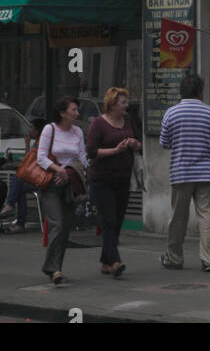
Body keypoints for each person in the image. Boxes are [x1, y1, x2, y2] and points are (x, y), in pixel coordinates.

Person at [159, 73, 210, 272]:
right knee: (206, 216)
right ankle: (208, 259)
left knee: (178, 217)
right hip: (207, 173)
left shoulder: (171, 113)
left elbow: (164, 142)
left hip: (180, 173)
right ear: (200, 91)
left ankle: (174, 258)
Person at [86, 87, 141, 279]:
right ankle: (115, 261)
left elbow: (139, 142)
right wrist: (116, 150)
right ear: (112, 104)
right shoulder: (98, 124)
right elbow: (92, 152)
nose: (126, 105)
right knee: (108, 220)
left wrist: (133, 143)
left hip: (123, 178)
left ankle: (105, 262)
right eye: (123, 102)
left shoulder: (128, 121)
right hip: (102, 179)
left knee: (117, 220)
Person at [38, 97, 88, 284]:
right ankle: (52, 268)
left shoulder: (78, 132)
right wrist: (58, 170)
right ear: (62, 113)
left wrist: (69, 172)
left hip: (70, 183)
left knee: (65, 226)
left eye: (77, 110)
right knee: (57, 223)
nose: (77, 114)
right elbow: (40, 157)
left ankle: (56, 268)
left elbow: (82, 158)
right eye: (73, 110)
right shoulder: (49, 130)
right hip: (51, 183)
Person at [0, 115, 45, 232]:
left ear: (38, 131)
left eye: (32, 128)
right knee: (19, 188)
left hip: (40, 180)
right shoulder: (37, 144)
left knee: (17, 179)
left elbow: (27, 162)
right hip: (35, 178)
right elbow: (28, 162)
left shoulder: (41, 145)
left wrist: (26, 145)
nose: (30, 131)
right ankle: (19, 223)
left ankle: (10, 205)